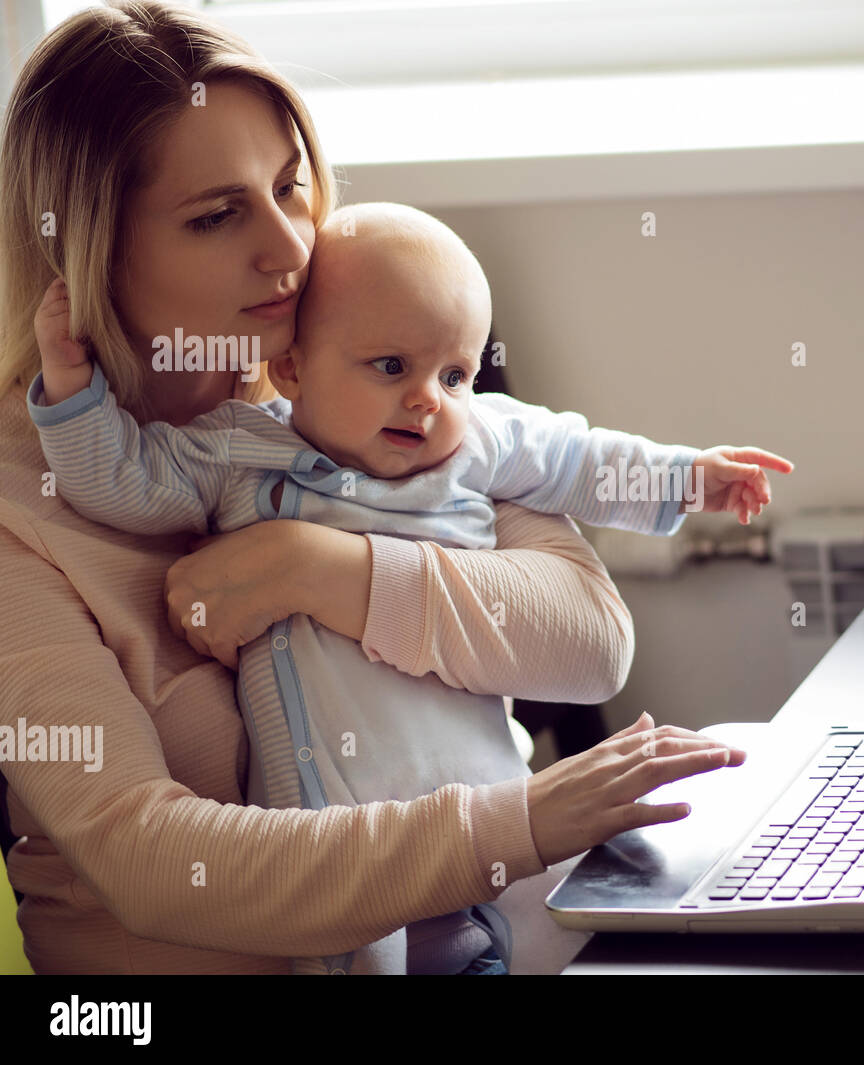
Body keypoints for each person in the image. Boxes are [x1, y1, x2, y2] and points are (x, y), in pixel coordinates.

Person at [0, 0, 746, 975]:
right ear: (86, 249)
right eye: (218, 215)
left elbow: (589, 647)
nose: (289, 248)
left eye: (289, 188)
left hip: (485, 939)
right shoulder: (27, 520)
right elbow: (150, 859)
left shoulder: (361, 364)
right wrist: (511, 825)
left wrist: (320, 569)